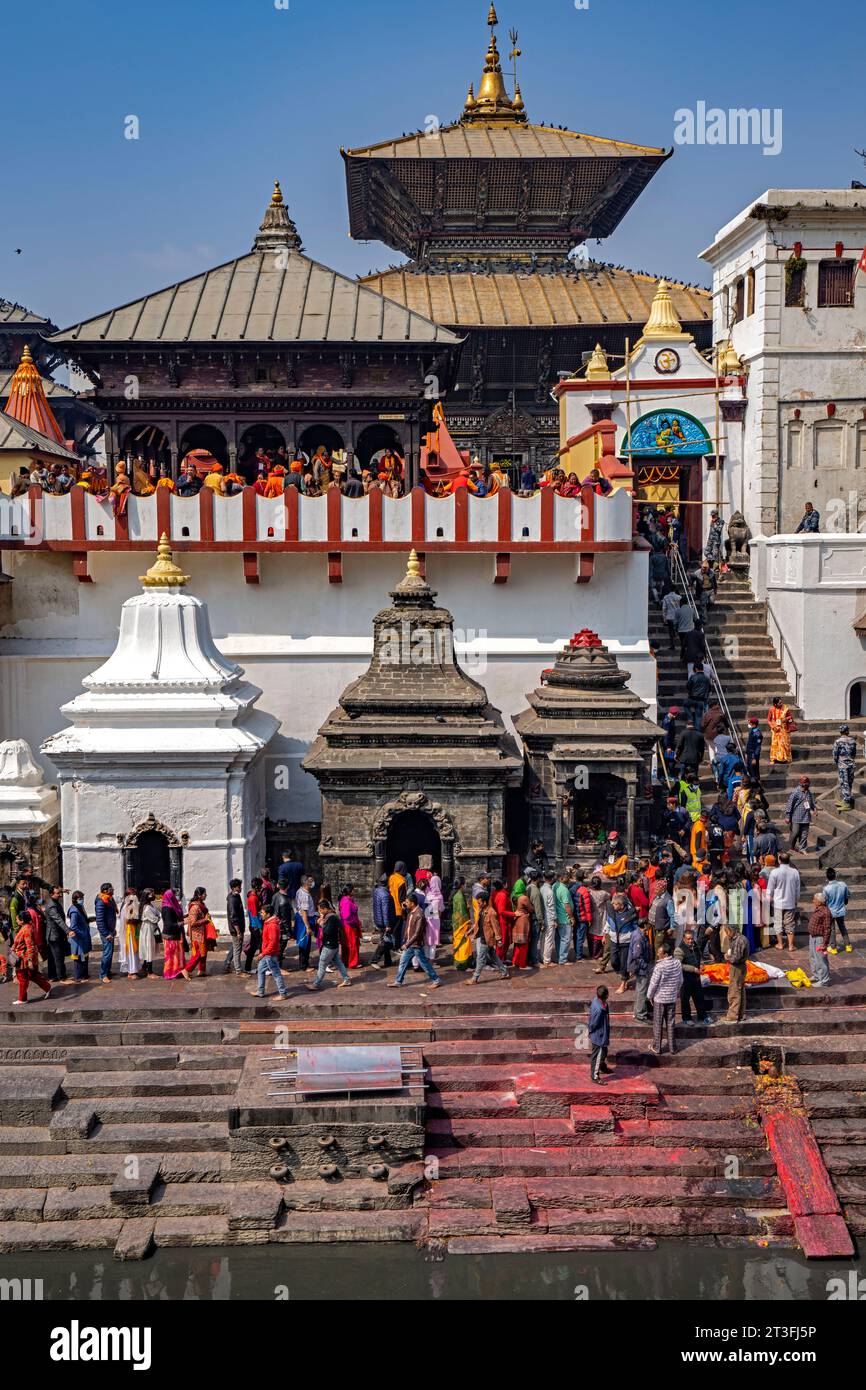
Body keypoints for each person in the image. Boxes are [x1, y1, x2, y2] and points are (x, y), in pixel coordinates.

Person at [389, 891, 442, 988]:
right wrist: (403, 909)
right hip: (411, 944)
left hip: (415, 945)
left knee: (425, 964)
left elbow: (417, 933)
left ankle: (436, 979)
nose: (406, 903)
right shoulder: (411, 912)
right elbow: (405, 919)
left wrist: (407, 944)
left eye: (407, 902)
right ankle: (398, 981)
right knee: (403, 962)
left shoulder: (419, 915)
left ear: (412, 903)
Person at [466, 888, 509, 985]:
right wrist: (471, 931)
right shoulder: (481, 911)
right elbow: (478, 923)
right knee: (493, 956)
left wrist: (499, 939)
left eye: (479, 902)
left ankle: (475, 978)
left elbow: (496, 927)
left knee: (480, 958)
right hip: (483, 936)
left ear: (485, 902)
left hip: (487, 938)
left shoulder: (491, 913)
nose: (478, 904)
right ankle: (504, 972)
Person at [647, 945, 683, 1056]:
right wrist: (676, 992)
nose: (658, 954)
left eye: (659, 952)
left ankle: (657, 1047)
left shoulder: (660, 966)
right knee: (670, 1023)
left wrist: (649, 996)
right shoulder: (677, 963)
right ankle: (673, 1048)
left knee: (658, 1024)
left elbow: (653, 984)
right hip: (671, 998)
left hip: (660, 999)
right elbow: (680, 980)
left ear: (666, 954)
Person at [307, 900, 352, 990]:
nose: (319, 912)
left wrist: (321, 924)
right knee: (339, 963)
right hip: (333, 944)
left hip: (329, 945)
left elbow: (328, 931)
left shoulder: (331, 918)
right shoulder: (330, 916)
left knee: (322, 964)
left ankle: (316, 984)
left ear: (325, 909)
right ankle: (346, 979)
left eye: (320, 910)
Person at [11, 908, 51, 1005]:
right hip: (24, 957)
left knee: (22, 978)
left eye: (17, 919)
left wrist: (29, 961)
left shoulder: (26, 930)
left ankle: (22, 998)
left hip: (23, 959)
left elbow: (30, 946)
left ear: (22, 920)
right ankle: (47, 987)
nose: (16, 921)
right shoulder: (27, 927)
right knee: (33, 975)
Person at [249, 911, 291, 999]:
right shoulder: (267, 923)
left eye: (263, 913)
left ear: (268, 914)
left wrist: (262, 954)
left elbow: (273, 943)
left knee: (276, 973)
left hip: (270, 954)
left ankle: (283, 994)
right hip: (267, 953)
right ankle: (260, 991)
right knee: (260, 969)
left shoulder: (272, 925)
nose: (261, 914)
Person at [764, 852, 800, 952]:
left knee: (778, 923)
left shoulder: (775, 872)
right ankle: (791, 945)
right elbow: (797, 889)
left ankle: (780, 943)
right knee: (790, 924)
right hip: (790, 901)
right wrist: (796, 900)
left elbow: (770, 888)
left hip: (777, 902)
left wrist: (769, 897)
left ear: (779, 860)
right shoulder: (795, 872)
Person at [604, 890, 637, 995]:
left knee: (623, 963)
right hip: (614, 941)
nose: (613, 905)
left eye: (615, 904)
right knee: (613, 961)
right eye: (613, 903)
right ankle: (623, 974)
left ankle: (623, 983)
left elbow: (635, 928)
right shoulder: (612, 913)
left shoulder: (630, 915)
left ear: (622, 906)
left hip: (626, 943)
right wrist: (605, 935)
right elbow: (608, 923)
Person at [160, 888, 190, 981]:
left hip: (175, 934)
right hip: (170, 935)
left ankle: (177, 971)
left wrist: (185, 916)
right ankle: (170, 973)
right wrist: (183, 922)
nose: (176, 897)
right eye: (174, 895)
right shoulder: (167, 908)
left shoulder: (171, 906)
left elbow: (175, 918)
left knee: (177, 955)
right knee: (172, 955)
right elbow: (169, 924)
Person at [370, 873, 397, 970]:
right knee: (385, 942)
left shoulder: (376, 891)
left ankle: (388, 960)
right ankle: (374, 960)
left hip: (378, 919)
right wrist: (387, 924)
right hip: (384, 921)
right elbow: (385, 912)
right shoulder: (385, 895)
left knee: (386, 940)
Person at [43, 886, 69, 983]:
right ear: (51, 894)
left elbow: (55, 889)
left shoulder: (54, 902)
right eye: (58, 893)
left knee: (53, 957)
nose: (60, 895)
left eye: (60, 893)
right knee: (58, 957)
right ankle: (61, 977)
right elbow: (59, 920)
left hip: (55, 935)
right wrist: (68, 931)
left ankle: (53, 976)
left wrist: (62, 890)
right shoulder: (51, 906)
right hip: (54, 936)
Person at [724, 922, 750, 1022]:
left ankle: (733, 1015)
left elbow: (736, 958)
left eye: (727, 931)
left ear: (732, 930)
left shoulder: (740, 940)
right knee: (740, 989)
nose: (726, 934)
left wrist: (727, 957)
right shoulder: (737, 938)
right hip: (739, 967)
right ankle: (740, 1014)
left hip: (737, 968)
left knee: (734, 991)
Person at [629, 920, 653, 1022]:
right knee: (642, 991)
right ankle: (640, 1015)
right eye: (648, 925)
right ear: (644, 925)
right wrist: (646, 967)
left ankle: (638, 1012)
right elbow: (637, 956)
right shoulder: (639, 937)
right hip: (641, 968)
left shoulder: (639, 933)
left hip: (641, 966)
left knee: (640, 990)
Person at [186, 887, 214, 976]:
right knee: (199, 953)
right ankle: (187, 970)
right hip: (197, 933)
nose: (206, 895)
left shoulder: (201, 904)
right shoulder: (194, 907)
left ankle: (202, 970)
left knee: (204, 952)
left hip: (203, 931)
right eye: (204, 893)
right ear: (199, 895)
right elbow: (193, 922)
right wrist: (205, 920)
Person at [824, 867, 852, 954]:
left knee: (832, 929)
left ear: (827, 877)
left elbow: (825, 901)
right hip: (841, 910)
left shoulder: (826, 888)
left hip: (831, 911)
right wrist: (845, 901)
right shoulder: (843, 884)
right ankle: (848, 946)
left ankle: (833, 947)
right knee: (842, 927)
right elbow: (848, 895)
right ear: (835, 876)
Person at [94, 882, 118, 984]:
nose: (113, 889)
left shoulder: (109, 899)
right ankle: (103, 975)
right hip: (106, 932)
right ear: (105, 891)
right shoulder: (101, 901)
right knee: (107, 954)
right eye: (111, 888)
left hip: (110, 930)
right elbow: (99, 920)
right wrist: (106, 933)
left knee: (110, 952)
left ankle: (107, 971)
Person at [66, 891, 92, 983]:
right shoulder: (74, 911)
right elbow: (73, 926)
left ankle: (84, 975)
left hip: (83, 937)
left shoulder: (80, 907)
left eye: (82, 898)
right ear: (75, 900)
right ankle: (78, 977)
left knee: (85, 955)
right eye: (80, 899)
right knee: (78, 958)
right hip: (78, 938)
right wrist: (82, 934)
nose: (82, 900)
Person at [807, 893, 832, 987]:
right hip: (813, 937)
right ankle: (816, 976)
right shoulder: (818, 909)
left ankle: (824, 981)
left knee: (821, 960)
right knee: (813, 957)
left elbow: (827, 929)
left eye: (814, 900)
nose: (813, 901)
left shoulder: (826, 912)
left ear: (820, 902)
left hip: (820, 939)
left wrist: (824, 944)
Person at [588, 985, 611, 1085]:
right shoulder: (599, 1010)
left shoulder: (597, 1001)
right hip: (599, 1036)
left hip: (603, 1034)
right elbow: (594, 1023)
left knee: (604, 1052)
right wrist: (590, 1031)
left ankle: (602, 1067)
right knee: (597, 1056)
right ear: (606, 996)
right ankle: (595, 1076)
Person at [786, 776, 816, 852]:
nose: (806, 785)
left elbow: (811, 803)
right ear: (801, 784)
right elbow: (790, 804)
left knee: (804, 834)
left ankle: (802, 849)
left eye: (807, 784)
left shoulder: (809, 792)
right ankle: (791, 846)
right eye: (805, 784)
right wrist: (787, 816)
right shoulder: (796, 792)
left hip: (806, 817)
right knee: (795, 833)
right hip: (796, 817)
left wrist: (814, 810)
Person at [294, 875, 317, 972]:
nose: (312, 882)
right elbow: (304, 912)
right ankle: (304, 965)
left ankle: (305, 963)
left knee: (305, 943)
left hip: (304, 919)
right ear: (306, 882)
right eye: (311, 881)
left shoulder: (301, 891)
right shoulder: (305, 895)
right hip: (305, 921)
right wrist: (307, 926)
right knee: (305, 943)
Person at [833, 723, 857, 811]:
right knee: (849, 782)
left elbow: (835, 755)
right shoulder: (853, 741)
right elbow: (854, 753)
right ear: (847, 732)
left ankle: (847, 803)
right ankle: (845, 799)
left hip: (842, 765)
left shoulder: (838, 741)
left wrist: (837, 762)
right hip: (851, 764)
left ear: (841, 732)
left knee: (844, 783)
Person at [119, 887, 141, 979]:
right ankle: (131, 971)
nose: (134, 896)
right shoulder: (126, 907)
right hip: (129, 931)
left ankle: (135, 969)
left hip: (135, 930)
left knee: (136, 951)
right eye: (132, 895)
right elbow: (126, 920)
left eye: (135, 895)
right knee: (131, 951)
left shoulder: (135, 905)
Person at [553, 870, 575, 964]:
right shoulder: (564, 890)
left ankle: (559, 956)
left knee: (559, 939)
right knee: (565, 939)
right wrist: (571, 917)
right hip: (564, 918)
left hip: (557, 917)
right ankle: (563, 959)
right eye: (567, 877)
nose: (569, 879)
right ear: (561, 878)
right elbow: (567, 905)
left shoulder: (555, 886)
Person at [225, 878, 246, 975]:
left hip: (237, 928)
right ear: (233, 888)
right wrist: (238, 932)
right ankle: (238, 970)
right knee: (237, 950)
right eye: (238, 887)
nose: (240, 888)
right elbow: (233, 918)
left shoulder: (235, 896)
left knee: (235, 947)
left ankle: (227, 964)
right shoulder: (233, 900)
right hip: (236, 929)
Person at [338, 885, 362, 970]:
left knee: (347, 944)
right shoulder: (346, 901)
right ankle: (352, 963)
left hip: (349, 925)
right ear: (350, 891)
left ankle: (346, 961)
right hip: (349, 926)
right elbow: (346, 917)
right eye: (353, 890)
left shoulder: (348, 899)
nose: (354, 891)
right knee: (352, 944)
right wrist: (355, 923)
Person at [138, 889, 159, 979]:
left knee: (149, 948)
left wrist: (157, 916)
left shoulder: (151, 905)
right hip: (148, 929)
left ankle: (144, 967)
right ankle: (150, 972)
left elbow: (158, 914)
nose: (153, 895)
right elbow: (155, 918)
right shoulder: (146, 908)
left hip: (151, 927)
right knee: (149, 948)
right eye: (151, 894)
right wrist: (158, 917)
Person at [388, 862, 409, 952]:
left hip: (391, 907)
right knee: (398, 930)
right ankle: (396, 947)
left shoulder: (391, 877)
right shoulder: (401, 881)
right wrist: (405, 911)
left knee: (392, 929)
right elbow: (402, 899)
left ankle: (391, 945)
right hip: (398, 909)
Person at [768, 697, 795, 766]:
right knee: (775, 744)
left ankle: (786, 758)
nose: (781, 703)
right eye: (780, 703)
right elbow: (769, 720)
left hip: (784, 729)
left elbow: (790, 717)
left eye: (781, 702)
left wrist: (785, 719)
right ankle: (773, 758)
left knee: (785, 743)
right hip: (775, 730)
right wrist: (772, 726)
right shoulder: (771, 710)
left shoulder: (785, 708)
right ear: (775, 704)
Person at [244, 878, 263, 973]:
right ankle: (261, 967)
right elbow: (255, 915)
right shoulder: (253, 898)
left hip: (254, 925)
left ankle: (248, 967)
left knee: (254, 947)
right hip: (256, 926)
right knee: (260, 946)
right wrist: (260, 928)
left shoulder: (253, 896)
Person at [539, 871, 558, 966]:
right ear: (551, 879)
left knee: (544, 938)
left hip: (543, 917)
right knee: (549, 940)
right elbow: (551, 907)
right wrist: (554, 919)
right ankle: (547, 960)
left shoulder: (542, 888)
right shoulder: (550, 891)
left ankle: (543, 957)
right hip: (549, 918)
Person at [675, 595, 695, 661]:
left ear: (681, 603)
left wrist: (675, 630)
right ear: (686, 602)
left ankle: (682, 657)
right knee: (690, 644)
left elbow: (675, 622)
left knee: (683, 644)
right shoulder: (691, 610)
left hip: (681, 631)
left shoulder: (678, 611)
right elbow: (694, 619)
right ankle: (689, 657)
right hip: (690, 630)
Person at [746, 716, 763, 782]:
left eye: (750, 723)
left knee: (754, 771)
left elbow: (757, 747)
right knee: (750, 769)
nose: (749, 724)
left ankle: (757, 786)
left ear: (754, 724)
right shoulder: (752, 731)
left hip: (753, 755)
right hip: (749, 753)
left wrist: (754, 758)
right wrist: (746, 753)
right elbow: (749, 744)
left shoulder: (758, 734)